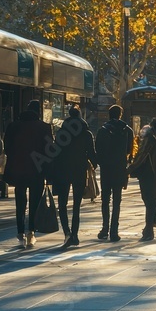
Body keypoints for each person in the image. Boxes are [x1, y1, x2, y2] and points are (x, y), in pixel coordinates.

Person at [3, 100, 54, 248]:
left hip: (18, 169)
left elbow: (7, 147)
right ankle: (31, 230)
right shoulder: (44, 128)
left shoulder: (13, 126)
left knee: (20, 200)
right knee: (35, 201)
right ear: (38, 112)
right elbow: (50, 150)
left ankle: (20, 231)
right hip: (37, 170)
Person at [50, 106, 97, 249]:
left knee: (62, 204)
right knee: (76, 205)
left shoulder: (61, 133)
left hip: (62, 171)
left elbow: (54, 153)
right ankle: (75, 235)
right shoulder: (87, 133)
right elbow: (92, 154)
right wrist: (93, 165)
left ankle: (67, 233)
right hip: (79, 171)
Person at [94, 105, 135, 241]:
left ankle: (105, 228)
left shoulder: (103, 130)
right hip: (120, 169)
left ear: (109, 115)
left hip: (106, 169)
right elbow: (130, 150)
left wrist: (101, 162)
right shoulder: (128, 130)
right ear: (120, 115)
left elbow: (97, 149)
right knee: (117, 200)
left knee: (105, 200)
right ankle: (114, 231)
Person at [129, 117, 156, 241]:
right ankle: (149, 228)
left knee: (148, 201)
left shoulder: (150, 138)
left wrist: (130, 168)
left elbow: (142, 155)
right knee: (152, 201)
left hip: (147, 174)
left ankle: (149, 230)